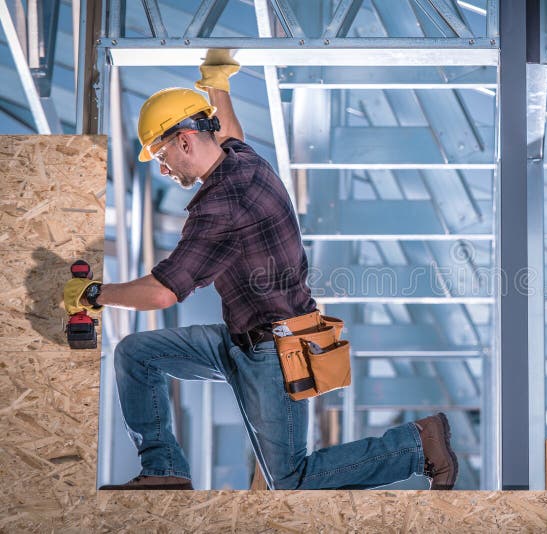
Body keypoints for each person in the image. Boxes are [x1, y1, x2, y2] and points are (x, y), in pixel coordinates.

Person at [63, 50, 458, 491]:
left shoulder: (219, 206)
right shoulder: (241, 161)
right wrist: (217, 82)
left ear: (185, 141)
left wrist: (94, 294)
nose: (163, 167)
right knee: (137, 354)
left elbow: (162, 293)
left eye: (162, 153)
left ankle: (414, 446)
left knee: (288, 480)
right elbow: (230, 131)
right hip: (237, 340)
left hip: (274, 351)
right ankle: (165, 470)